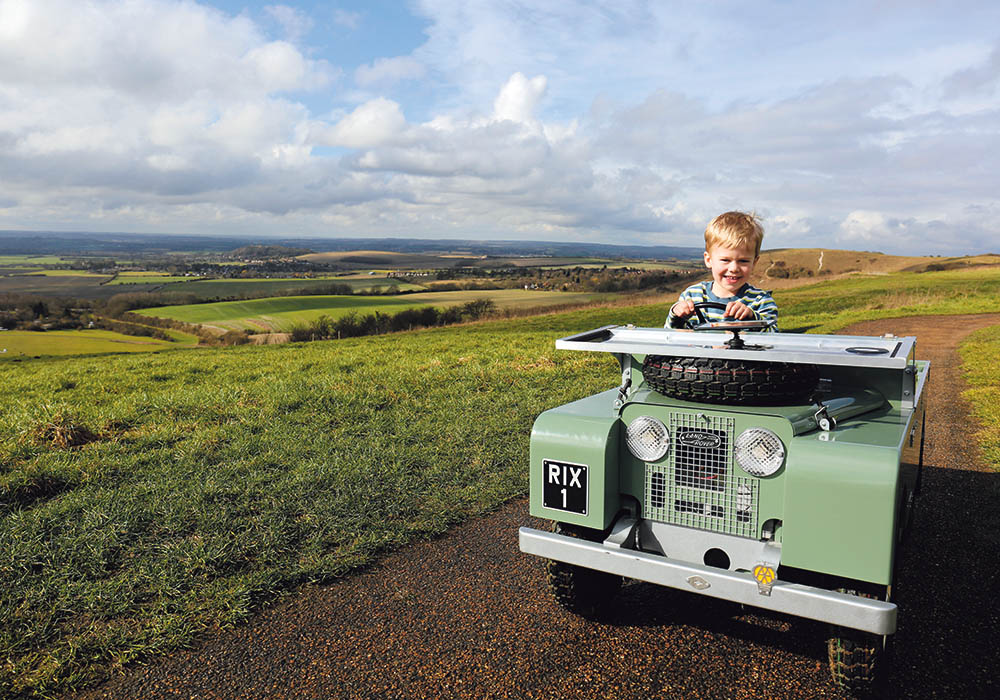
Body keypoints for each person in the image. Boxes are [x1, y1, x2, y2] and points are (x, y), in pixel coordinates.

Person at [666, 211, 778, 331]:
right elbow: (669, 335)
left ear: (754, 263)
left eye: (743, 261)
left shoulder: (760, 301)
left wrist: (752, 318)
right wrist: (676, 314)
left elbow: (773, 338)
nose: (734, 268)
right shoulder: (692, 295)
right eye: (725, 260)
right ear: (709, 260)